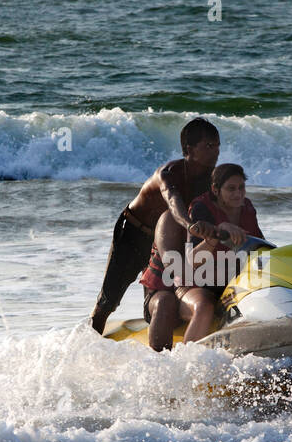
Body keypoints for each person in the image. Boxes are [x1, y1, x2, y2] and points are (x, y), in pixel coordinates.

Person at [89, 117, 222, 335]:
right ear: (189, 150)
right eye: (209, 146)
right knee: (108, 300)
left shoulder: (210, 180)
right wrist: (190, 225)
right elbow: (174, 203)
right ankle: (87, 350)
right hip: (133, 232)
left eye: (218, 146)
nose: (216, 151)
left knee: (164, 293)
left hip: (163, 239)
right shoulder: (168, 174)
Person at [140, 163, 263, 349]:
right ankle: (182, 363)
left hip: (225, 281)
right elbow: (183, 268)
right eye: (231, 188)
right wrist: (215, 235)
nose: (238, 193)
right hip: (188, 284)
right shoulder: (190, 214)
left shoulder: (247, 208)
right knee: (194, 306)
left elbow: (259, 246)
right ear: (215, 189)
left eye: (241, 187)